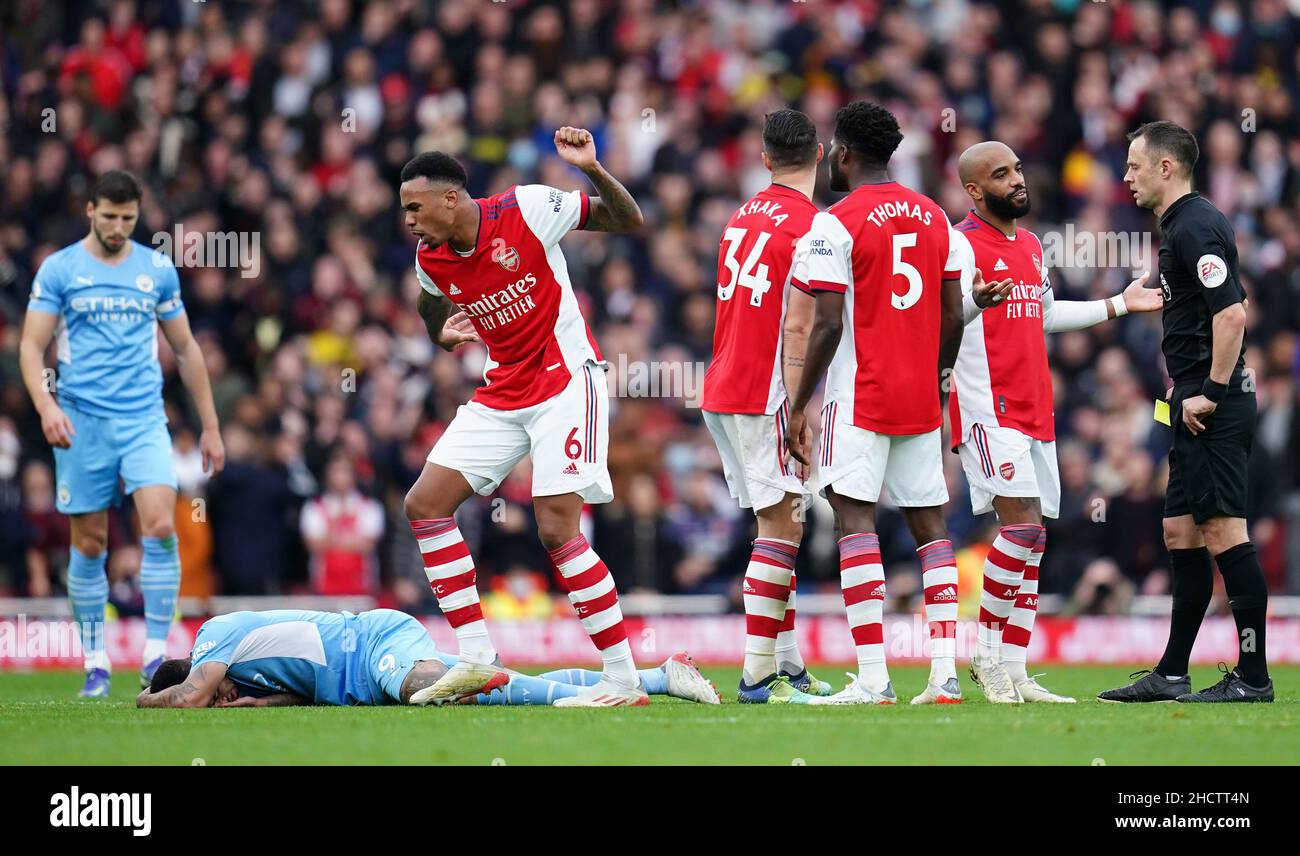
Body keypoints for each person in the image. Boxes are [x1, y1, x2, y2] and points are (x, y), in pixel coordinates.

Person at [399, 128, 648, 706]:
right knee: (424, 505)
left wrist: (592, 168)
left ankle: (623, 678)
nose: (409, 219)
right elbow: (431, 297)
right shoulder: (429, 257)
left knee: (556, 527)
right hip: (503, 389)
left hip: (565, 378)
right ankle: (479, 659)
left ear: (451, 199)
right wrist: (440, 333)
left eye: (415, 206)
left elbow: (626, 219)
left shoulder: (527, 207)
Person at [948, 141, 1162, 703]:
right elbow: (939, 318)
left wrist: (1116, 304)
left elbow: (1041, 315)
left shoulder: (1027, 245)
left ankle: (1015, 668)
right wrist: (972, 304)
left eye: (1018, 168)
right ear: (974, 190)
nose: (1018, 179)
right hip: (986, 409)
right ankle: (986, 654)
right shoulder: (957, 244)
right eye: (1001, 174)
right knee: (1017, 529)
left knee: (1035, 539)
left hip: (1035, 408)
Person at [785, 101, 967, 705]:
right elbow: (950, 313)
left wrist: (797, 403)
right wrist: (938, 377)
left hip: (857, 397)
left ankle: (873, 678)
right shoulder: (935, 215)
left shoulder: (834, 223)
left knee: (855, 523)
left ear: (844, 153)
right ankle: (943, 676)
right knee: (931, 527)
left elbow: (828, 325)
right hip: (918, 395)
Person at [18, 170, 225, 697]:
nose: (117, 226)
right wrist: (46, 406)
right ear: (90, 210)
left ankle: (156, 655)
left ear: (137, 215)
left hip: (143, 419)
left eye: (127, 218)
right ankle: (95, 661)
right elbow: (29, 346)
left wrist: (210, 425)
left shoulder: (155, 269)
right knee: (89, 542)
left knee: (160, 525)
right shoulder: (60, 269)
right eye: (108, 216)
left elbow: (185, 349)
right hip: (81, 421)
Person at [1100, 121, 1273, 703]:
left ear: (1165, 167)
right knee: (1179, 531)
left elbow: (1231, 315)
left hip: (1211, 403)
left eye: (1134, 166)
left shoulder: (1195, 224)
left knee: (1224, 531)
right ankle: (1173, 672)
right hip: (1186, 402)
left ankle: (1253, 676)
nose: (1126, 177)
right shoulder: (1178, 225)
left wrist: (1214, 391)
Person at [700, 108, 830, 704]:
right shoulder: (814, 227)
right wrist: (800, 407)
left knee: (778, 521)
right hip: (766, 387)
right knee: (782, 526)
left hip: (722, 384)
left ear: (765, 159)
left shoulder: (741, 214)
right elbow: (799, 329)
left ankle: (789, 665)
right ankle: (757, 678)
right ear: (821, 155)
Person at [136, 608, 721, 708]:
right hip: (362, 667)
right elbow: (300, 691)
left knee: (429, 688)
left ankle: (595, 697)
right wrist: (251, 705)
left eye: (217, 696)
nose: (224, 699)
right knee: (457, 686)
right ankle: (658, 677)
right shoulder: (241, 678)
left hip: (370, 645)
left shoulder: (211, 638)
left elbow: (187, 697)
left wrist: (145, 696)